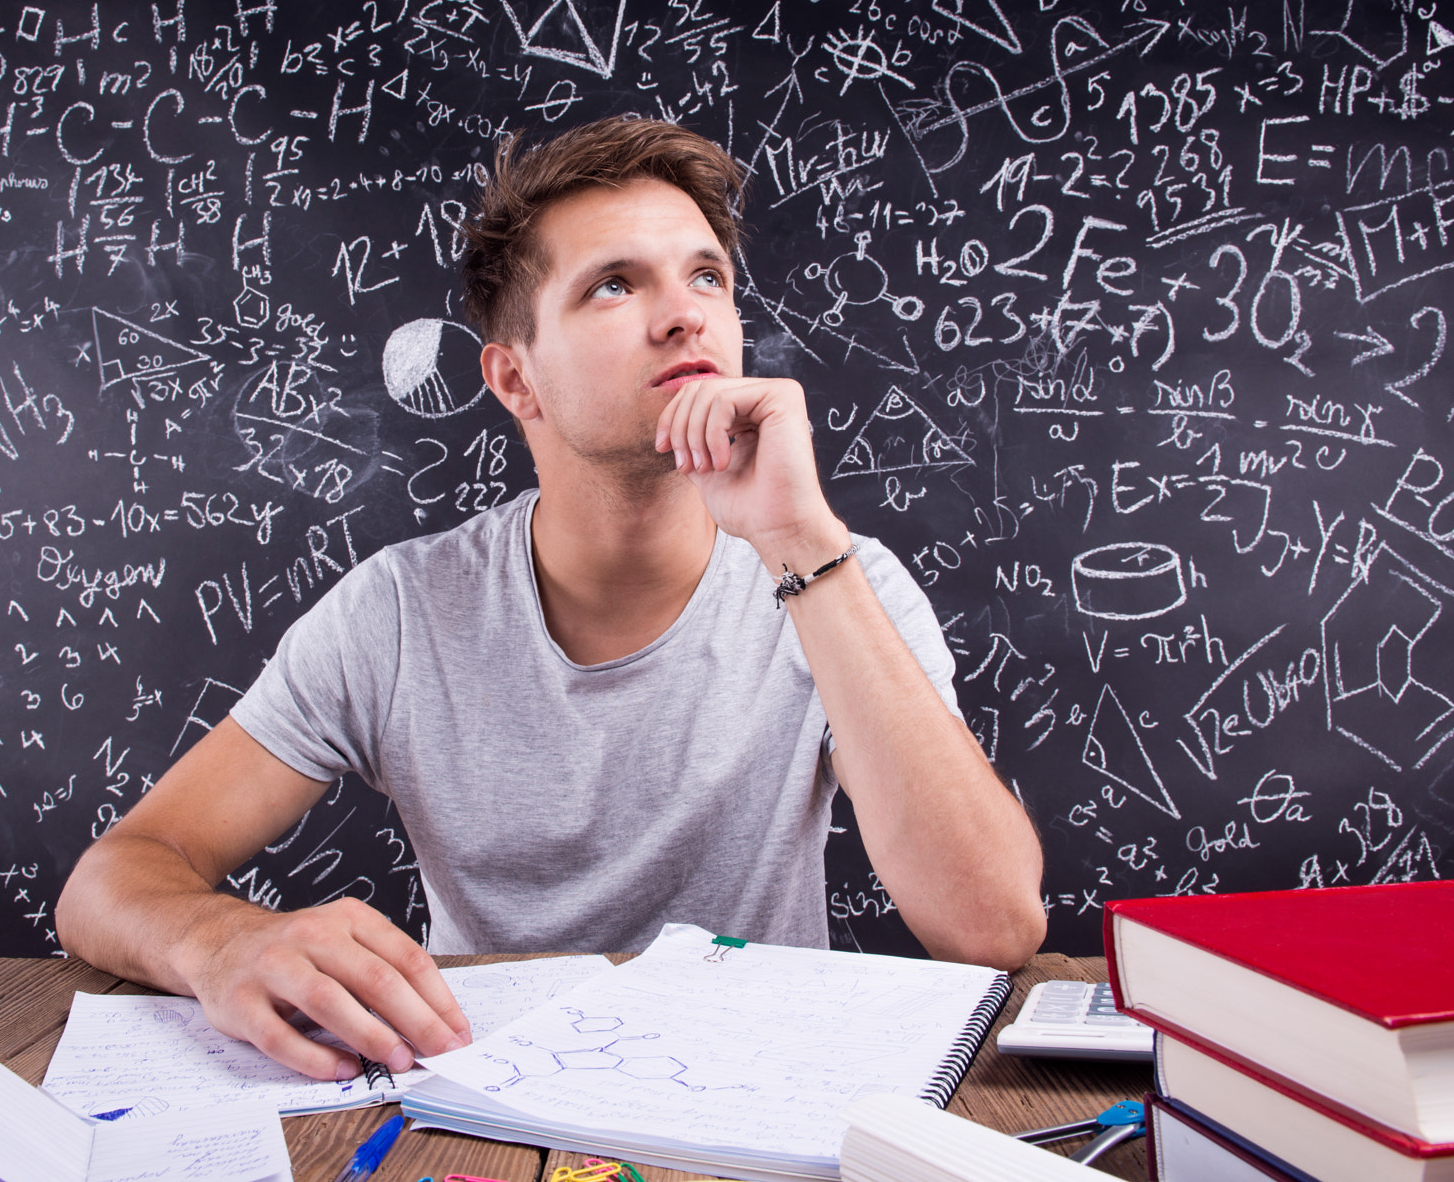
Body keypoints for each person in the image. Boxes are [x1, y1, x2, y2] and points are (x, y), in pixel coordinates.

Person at [56, 117, 1046, 1082]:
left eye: (706, 276)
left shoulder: (836, 580)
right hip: (471, 1095)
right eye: (613, 285)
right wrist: (220, 941)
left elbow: (991, 924)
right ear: (513, 376)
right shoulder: (400, 612)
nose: (683, 314)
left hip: (747, 1098)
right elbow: (115, 876)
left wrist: (797, 541)